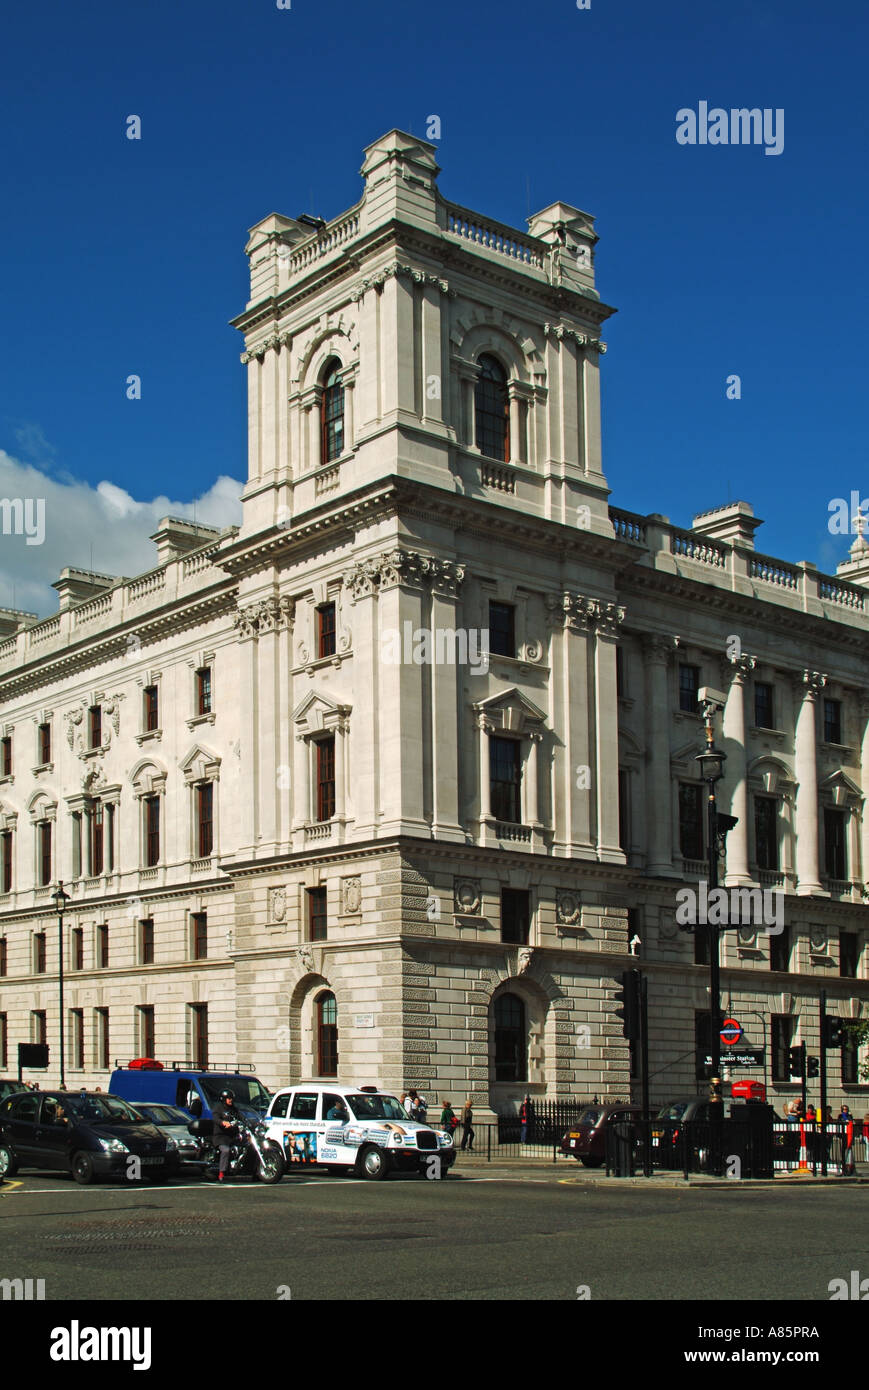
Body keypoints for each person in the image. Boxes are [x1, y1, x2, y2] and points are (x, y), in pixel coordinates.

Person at [213, 1088, 242, 1182]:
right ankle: (221, 1173)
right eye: (228, 1098)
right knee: (226, 1150)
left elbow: (241, 1117)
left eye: (231, 1098)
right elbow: (216, 1119)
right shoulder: (218, 1108)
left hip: (232, 1135)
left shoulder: (234, 1109)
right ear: (223, 1099)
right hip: (221, 1136)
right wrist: (223, 1122)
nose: (230, 1100)